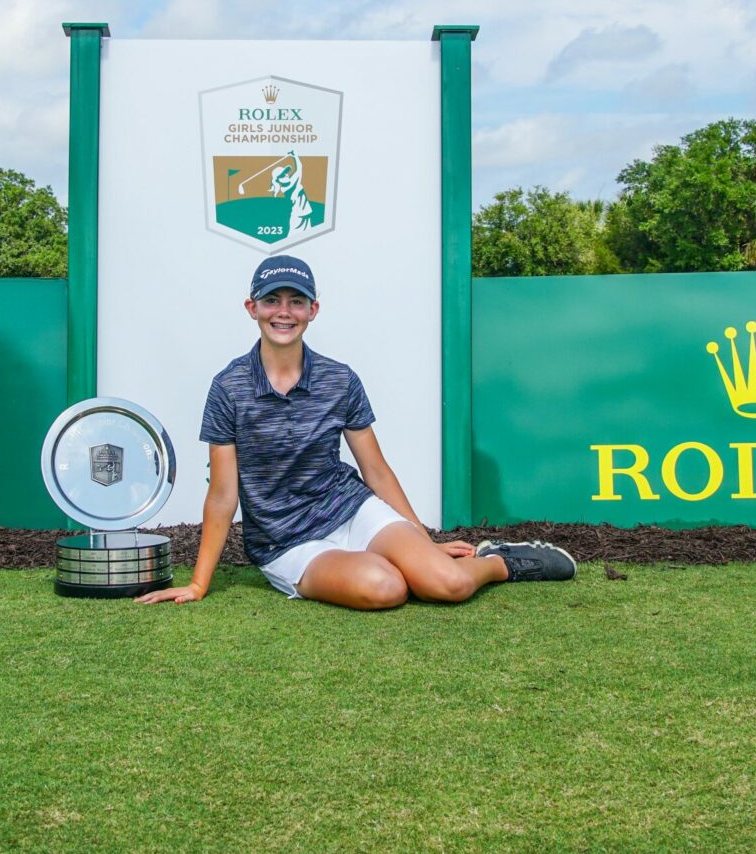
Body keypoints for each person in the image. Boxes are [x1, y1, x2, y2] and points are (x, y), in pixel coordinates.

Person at [138, 254, 575, 610]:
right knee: (386, 588)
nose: (284, 312)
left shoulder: (340, 379)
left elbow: (376, 471)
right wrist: (198, 583)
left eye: (297, 301)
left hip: (352, 510)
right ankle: (396, 562)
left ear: (313, 310)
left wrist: (421, 540)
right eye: (272, 300)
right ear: (252, 308)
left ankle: (499, 561)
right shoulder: (227, 387)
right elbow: (222, 494)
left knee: (447, 584)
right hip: (286, 542)